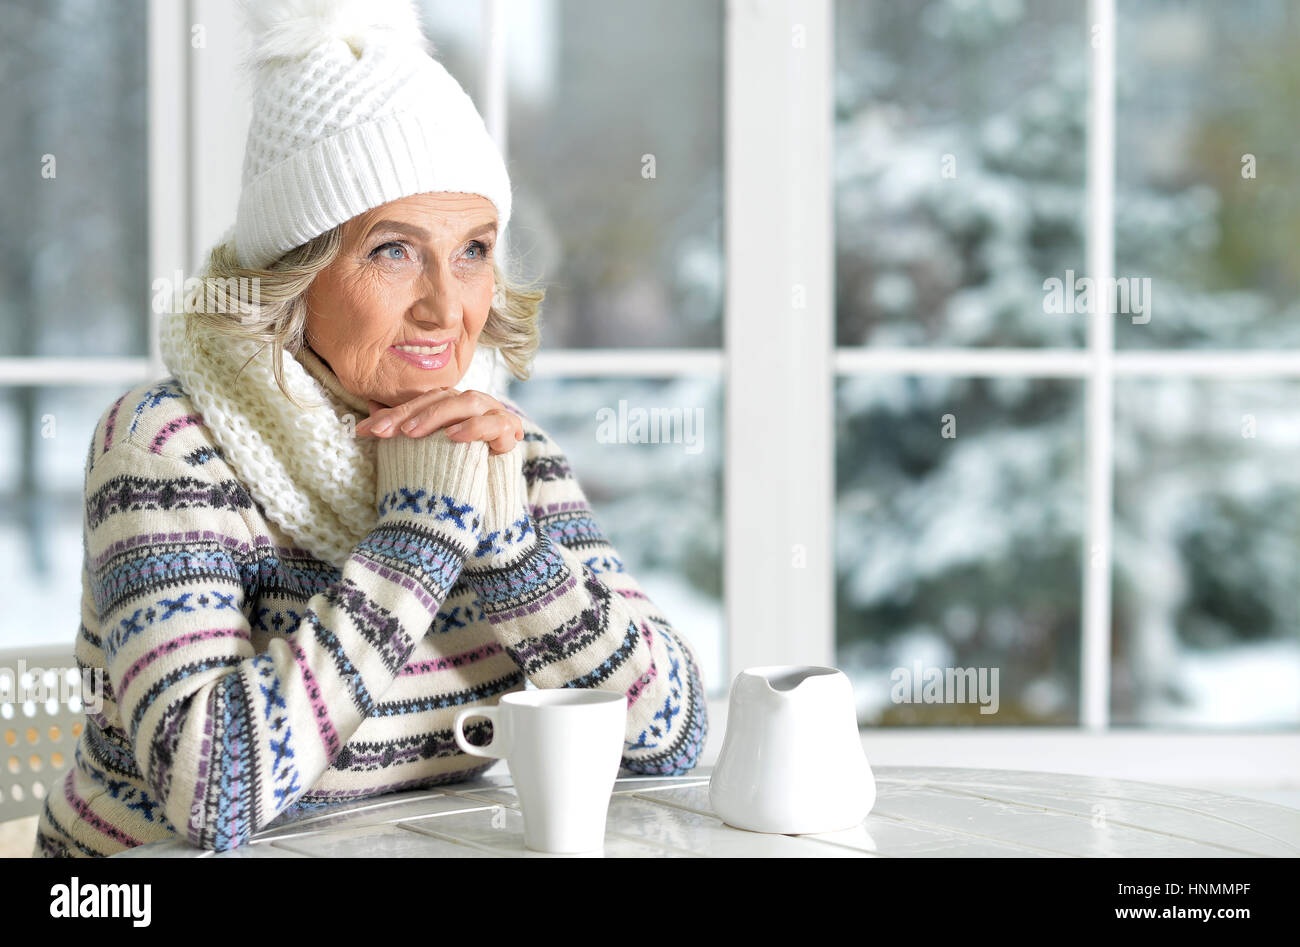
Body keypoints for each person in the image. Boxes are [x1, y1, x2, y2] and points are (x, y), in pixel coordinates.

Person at [34, 0, 707, 857]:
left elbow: (670, 735)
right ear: (294, 272)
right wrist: (421, 535)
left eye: (472, 250)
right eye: (393, 250)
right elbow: (208, 794)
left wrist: (511, 551)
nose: (445, 304)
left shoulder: (504, 453)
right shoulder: (165, 448)